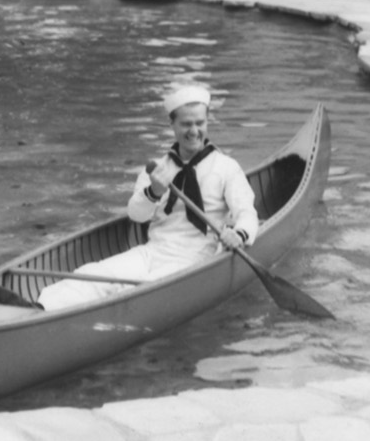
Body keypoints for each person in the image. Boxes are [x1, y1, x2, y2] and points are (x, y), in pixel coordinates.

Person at [27, 84, 258, 312]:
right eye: (186, 124)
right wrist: (154, 192)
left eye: (200, 123)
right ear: (173, 125)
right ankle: (40, 308)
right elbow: (136, 215)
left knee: (137, 291)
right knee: (95, 273)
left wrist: (238, 234)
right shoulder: (157, 168)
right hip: (153, 251)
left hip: (198, 257)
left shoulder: (226, 167)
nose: (194, 131)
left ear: (207, 122)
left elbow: (246, 213)